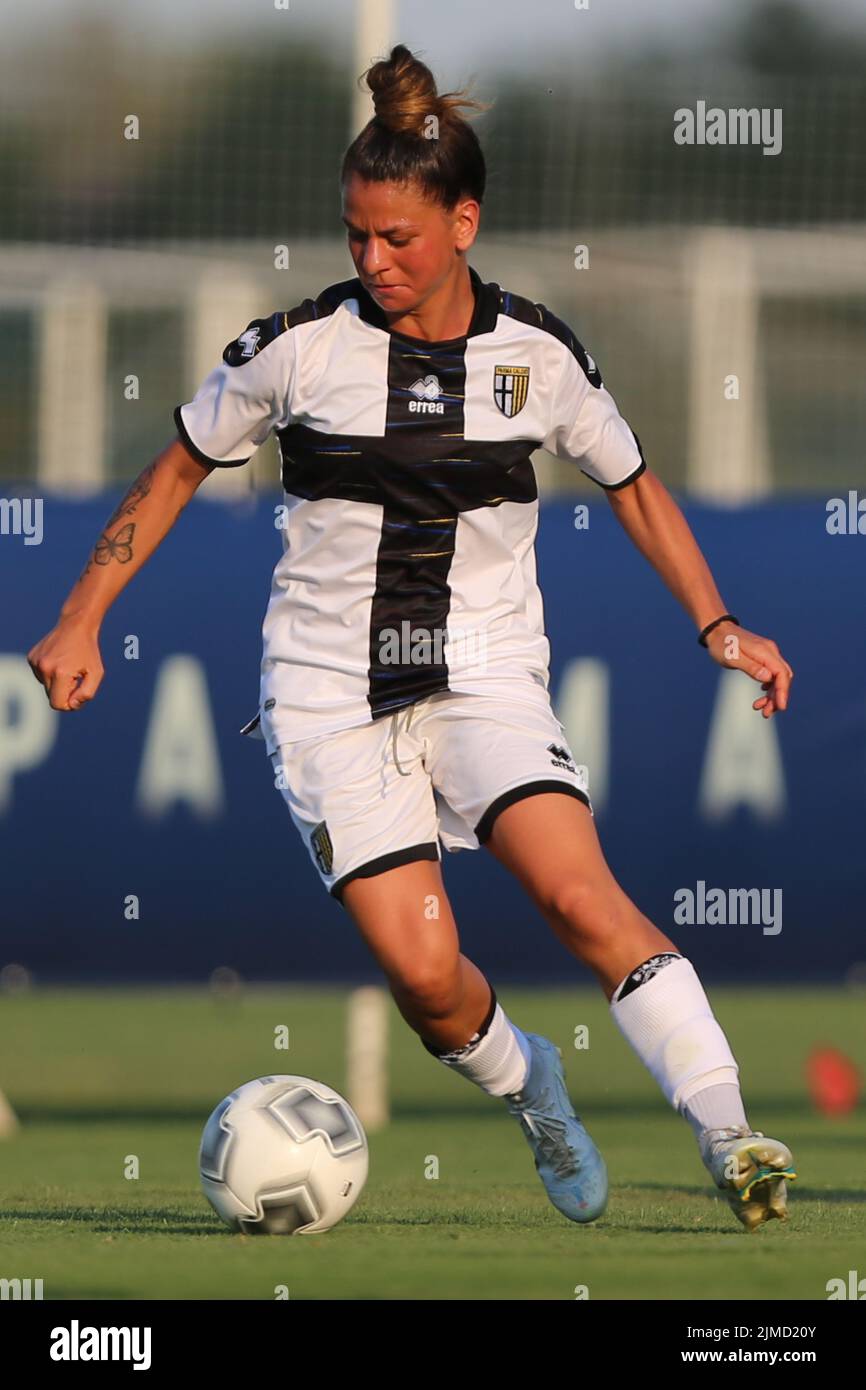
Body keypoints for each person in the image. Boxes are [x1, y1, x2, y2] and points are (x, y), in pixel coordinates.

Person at [28, 44, 796, 1232]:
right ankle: (534, 1087)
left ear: (464, 222)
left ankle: (729, 1131)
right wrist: (82, 615)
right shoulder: (297, 351)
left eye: (398, 238)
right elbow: (177, 466)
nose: (373, 261)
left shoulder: (535, 355)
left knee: (582, 897)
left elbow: (635, 483)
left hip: (485, 677)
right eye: (355, 237)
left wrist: (716, 621)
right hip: (327, 694)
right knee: (430, 983)